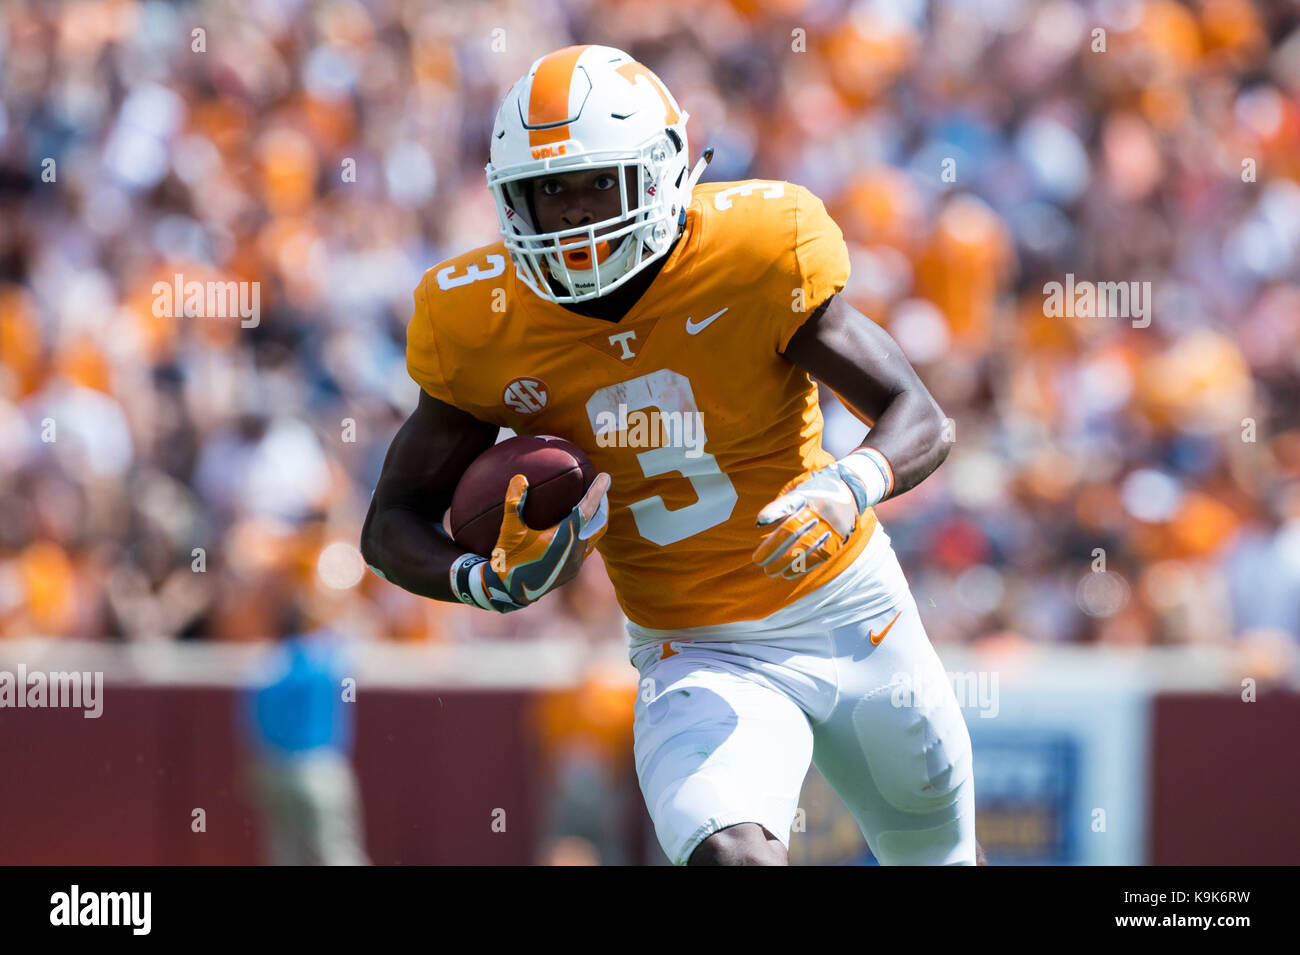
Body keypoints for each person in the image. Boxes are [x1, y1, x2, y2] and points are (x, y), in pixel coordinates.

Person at [361, 44, 986, 866]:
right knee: (732, 855)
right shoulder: (482, 322)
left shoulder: (757, 250)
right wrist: (479, 580)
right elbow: (390, 522)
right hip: (692, 647)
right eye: (552, 191)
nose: (579, 216)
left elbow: (920, 415)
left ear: (660, 171)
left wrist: (849, 484)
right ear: (513, 200)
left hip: (851, 612)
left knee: (939, 859)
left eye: (596, 183)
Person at [241, 605, 370, 866]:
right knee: (337, 849)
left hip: (276, 769)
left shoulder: (264, 666)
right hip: (321, 768)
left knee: (286, 850)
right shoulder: (324, 660)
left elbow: (250, 722)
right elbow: (356, 646)